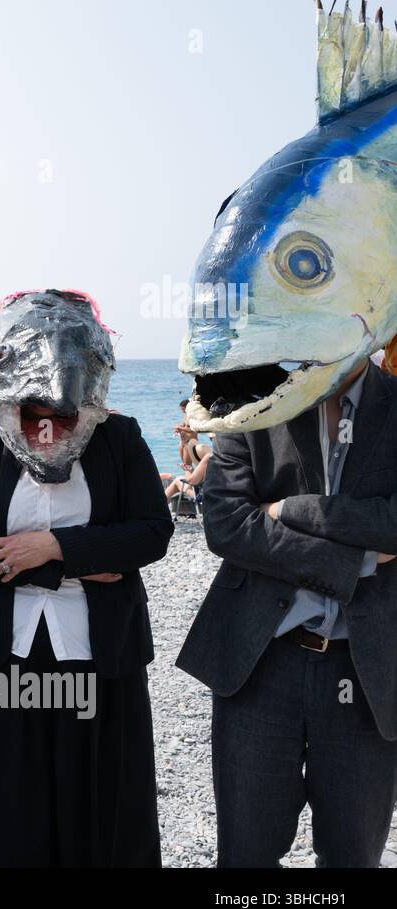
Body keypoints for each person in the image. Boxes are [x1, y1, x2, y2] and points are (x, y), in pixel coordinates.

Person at [0, 289, 172, 866]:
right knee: (8, 806)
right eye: (32, 416)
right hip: (4, 654)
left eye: (62, 417)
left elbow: (152, 533)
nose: (47, 433)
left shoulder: (119, 439)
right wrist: (84, 562)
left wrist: (49, 548)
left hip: (102, 656)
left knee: (105, 805)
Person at [178, 356, 397, 867]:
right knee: (246, 854)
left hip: (367, 668)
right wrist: (356, 559)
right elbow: (228, 525)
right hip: (260, 661)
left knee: (353, 855)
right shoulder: (250, 400)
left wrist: (293, 510)